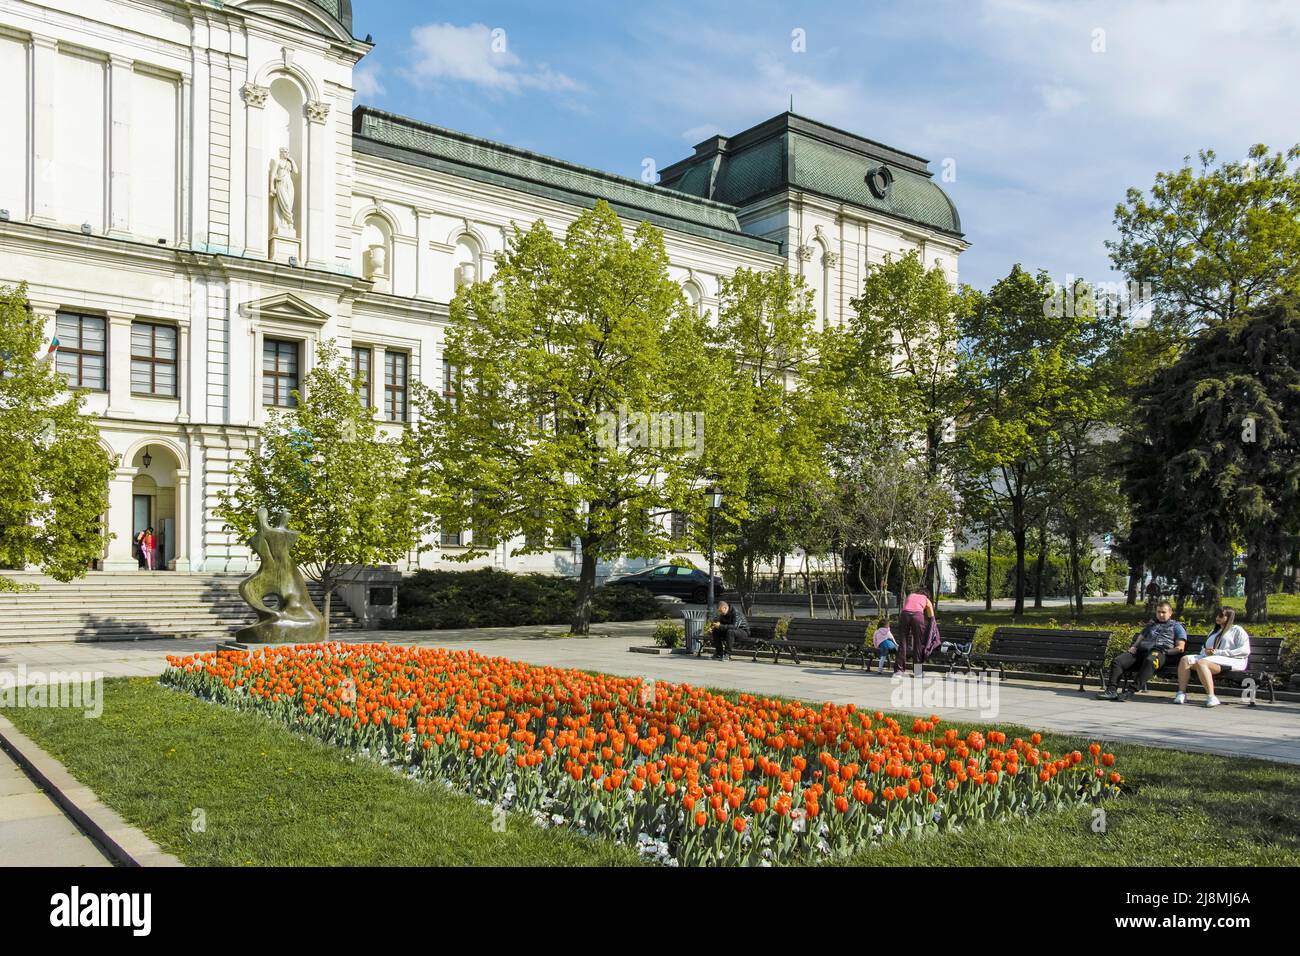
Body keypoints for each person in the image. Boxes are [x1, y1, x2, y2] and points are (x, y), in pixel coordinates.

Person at [1097, 600, 1187, 700]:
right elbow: (1140, 638)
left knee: (1150, 660)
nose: (1161, 614)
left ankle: (1130, 692)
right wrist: (1134, 647)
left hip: (1161, 653)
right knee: (1118, 661)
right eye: (1158, 612)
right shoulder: (1151, 625)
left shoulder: (1177, 626)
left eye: (1164, 612)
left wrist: (1165, 652)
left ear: (1170, 613)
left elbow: (1180, 648)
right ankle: (1111, 691)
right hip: (1142, 652)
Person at [1175, 607, 1250, 708]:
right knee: (1186, 659)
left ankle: (1211, 696)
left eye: (1221, 615)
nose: (1217, 617)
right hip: (1212, 659)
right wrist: (1206, 651)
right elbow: (1204, 648)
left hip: (1233, 660)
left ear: (1229, 617)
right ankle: (1181, 693)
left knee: (1202, 662)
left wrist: (1219, 652)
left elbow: (1244, 650)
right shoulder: (1214, 631)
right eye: (1217, 615)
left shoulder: (1237, 630)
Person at [896, 589, 934, 675]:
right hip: (917, 616)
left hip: (905, 615)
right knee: (918, 644)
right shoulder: (926, 599)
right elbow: (932, 618)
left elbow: (906, 607)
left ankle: (899, 670)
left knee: (903, 642)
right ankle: (917, 672)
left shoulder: (911, 595)